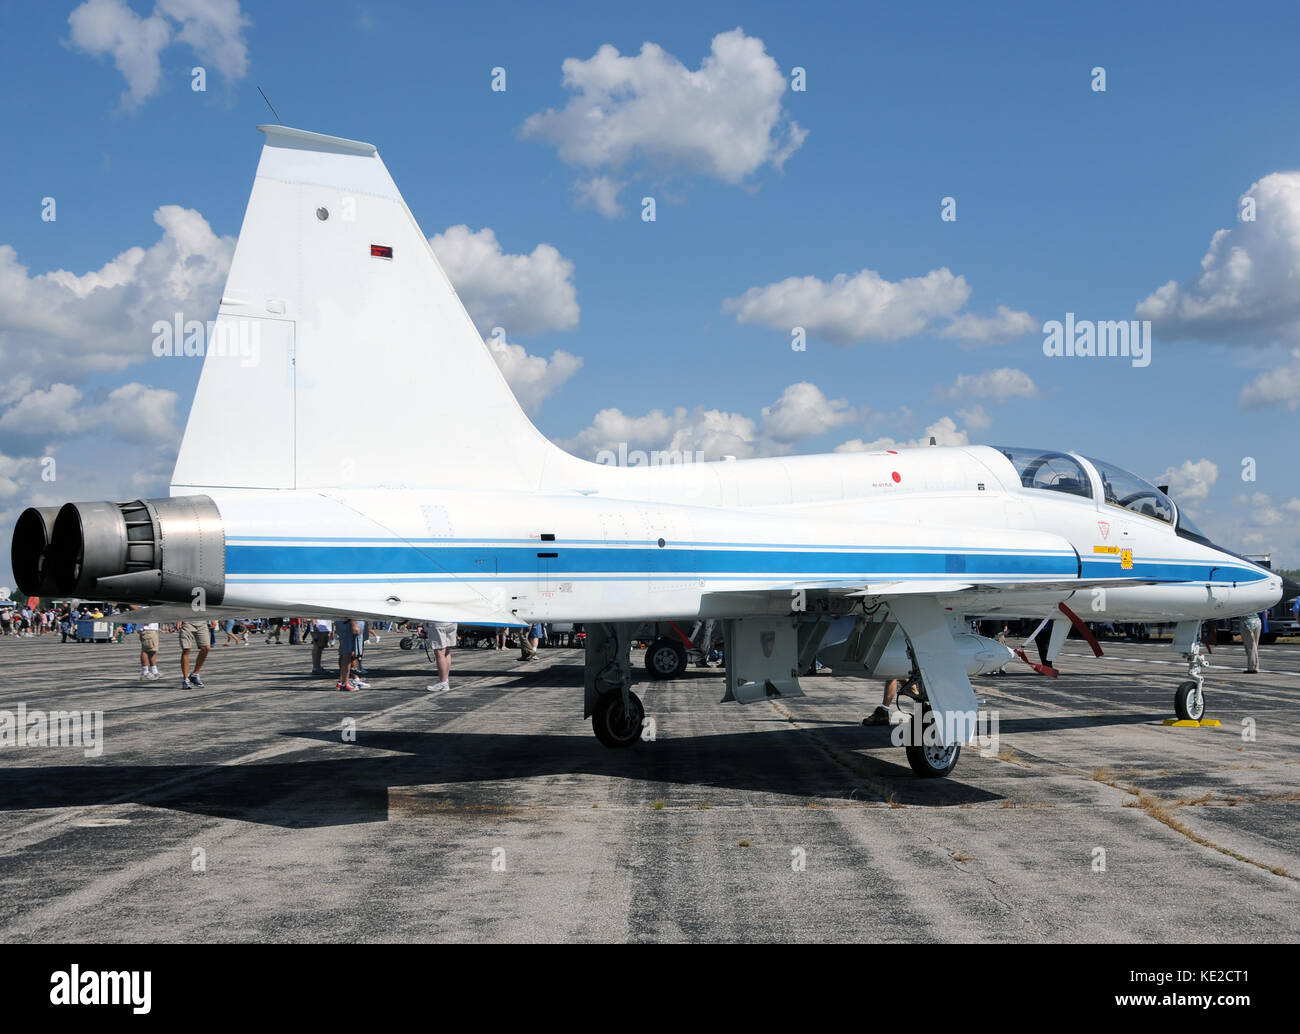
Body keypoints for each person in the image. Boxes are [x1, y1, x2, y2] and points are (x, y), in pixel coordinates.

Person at [176, 619, 211, 688]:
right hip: (187, 622)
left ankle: (195, 674)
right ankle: (185, 679)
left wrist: (212, 619)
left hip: (202, 622)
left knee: (206, 648)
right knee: (186, 649)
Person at [426, 621, 457, 692]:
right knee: (447, 652)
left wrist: (420, 625)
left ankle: (443, 682)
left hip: (438, 623)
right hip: (452, 622)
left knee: (440, 653)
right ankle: (445, 681)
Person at [335, 617, 363, 690]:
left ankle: (342, 681)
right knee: (348, 654)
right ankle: (345, 683)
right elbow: (350, 610)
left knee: (347, 653)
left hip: (348, 623)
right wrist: (354, 624)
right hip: (349, 623)